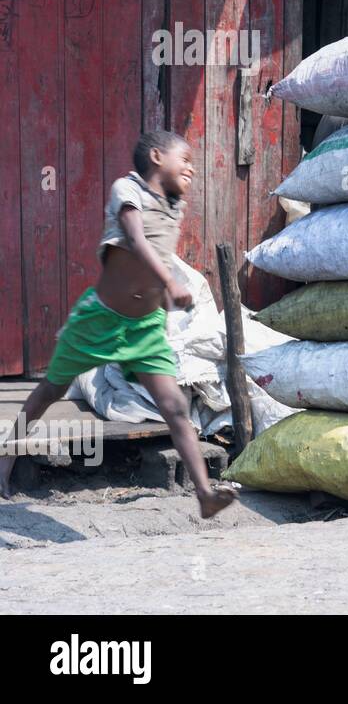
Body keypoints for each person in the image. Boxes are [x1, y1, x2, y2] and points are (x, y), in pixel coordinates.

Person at [0, 132, 238, 519]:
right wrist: (169, 282)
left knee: (175, 407)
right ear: (157, 157)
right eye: (186, 158)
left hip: (145, 328)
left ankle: (205, 495)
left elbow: (157, 254)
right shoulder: (127, 189)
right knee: (50, 390)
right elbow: (136, 238)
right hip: (100, 320)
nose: (192, 167)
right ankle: (7, 457)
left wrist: (162, 313)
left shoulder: (174, 206)